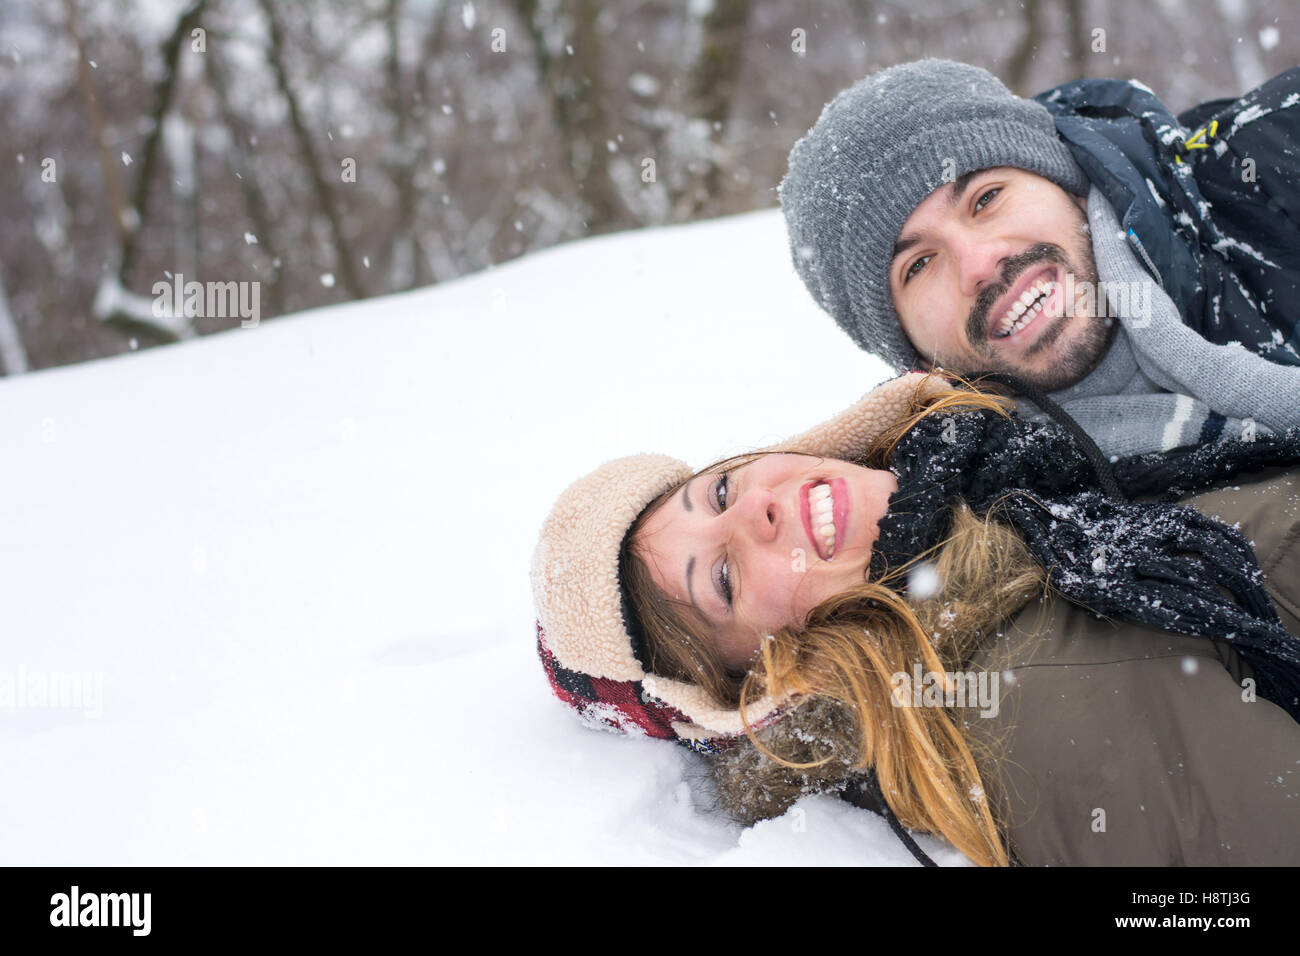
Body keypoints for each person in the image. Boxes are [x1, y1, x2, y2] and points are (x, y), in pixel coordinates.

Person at [530, 371, 1300, 866]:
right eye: (724, 578)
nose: (758, 508)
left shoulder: (1018, 505)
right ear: (752, 682)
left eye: (721, 493)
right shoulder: (1032, 709)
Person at [778, 59, 1300, 458]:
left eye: (985, 199)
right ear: (915, 357)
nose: (978, 263)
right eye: (918, 265)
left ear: (1066, 181)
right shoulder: (1007, 540)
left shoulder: (1278, 155)